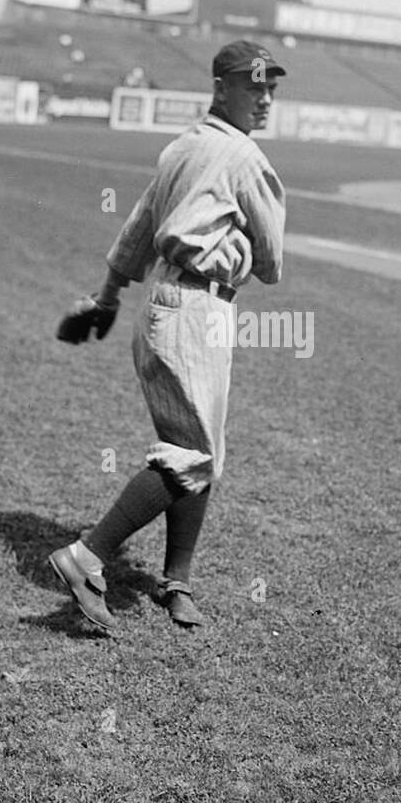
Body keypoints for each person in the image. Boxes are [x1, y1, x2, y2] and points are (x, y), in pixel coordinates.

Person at [49, 40, 287, 628]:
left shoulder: (180, 147)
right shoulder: (244, 157)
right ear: (220, 88)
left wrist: (105, 298)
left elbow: (137, 230)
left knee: (201, 446)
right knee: (194, 455)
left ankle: (176, 581)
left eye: (270, 88)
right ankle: (86, 556)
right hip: (196, 310)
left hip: (162, 302)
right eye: (251, 85)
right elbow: (272, 264)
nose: (263, 98)